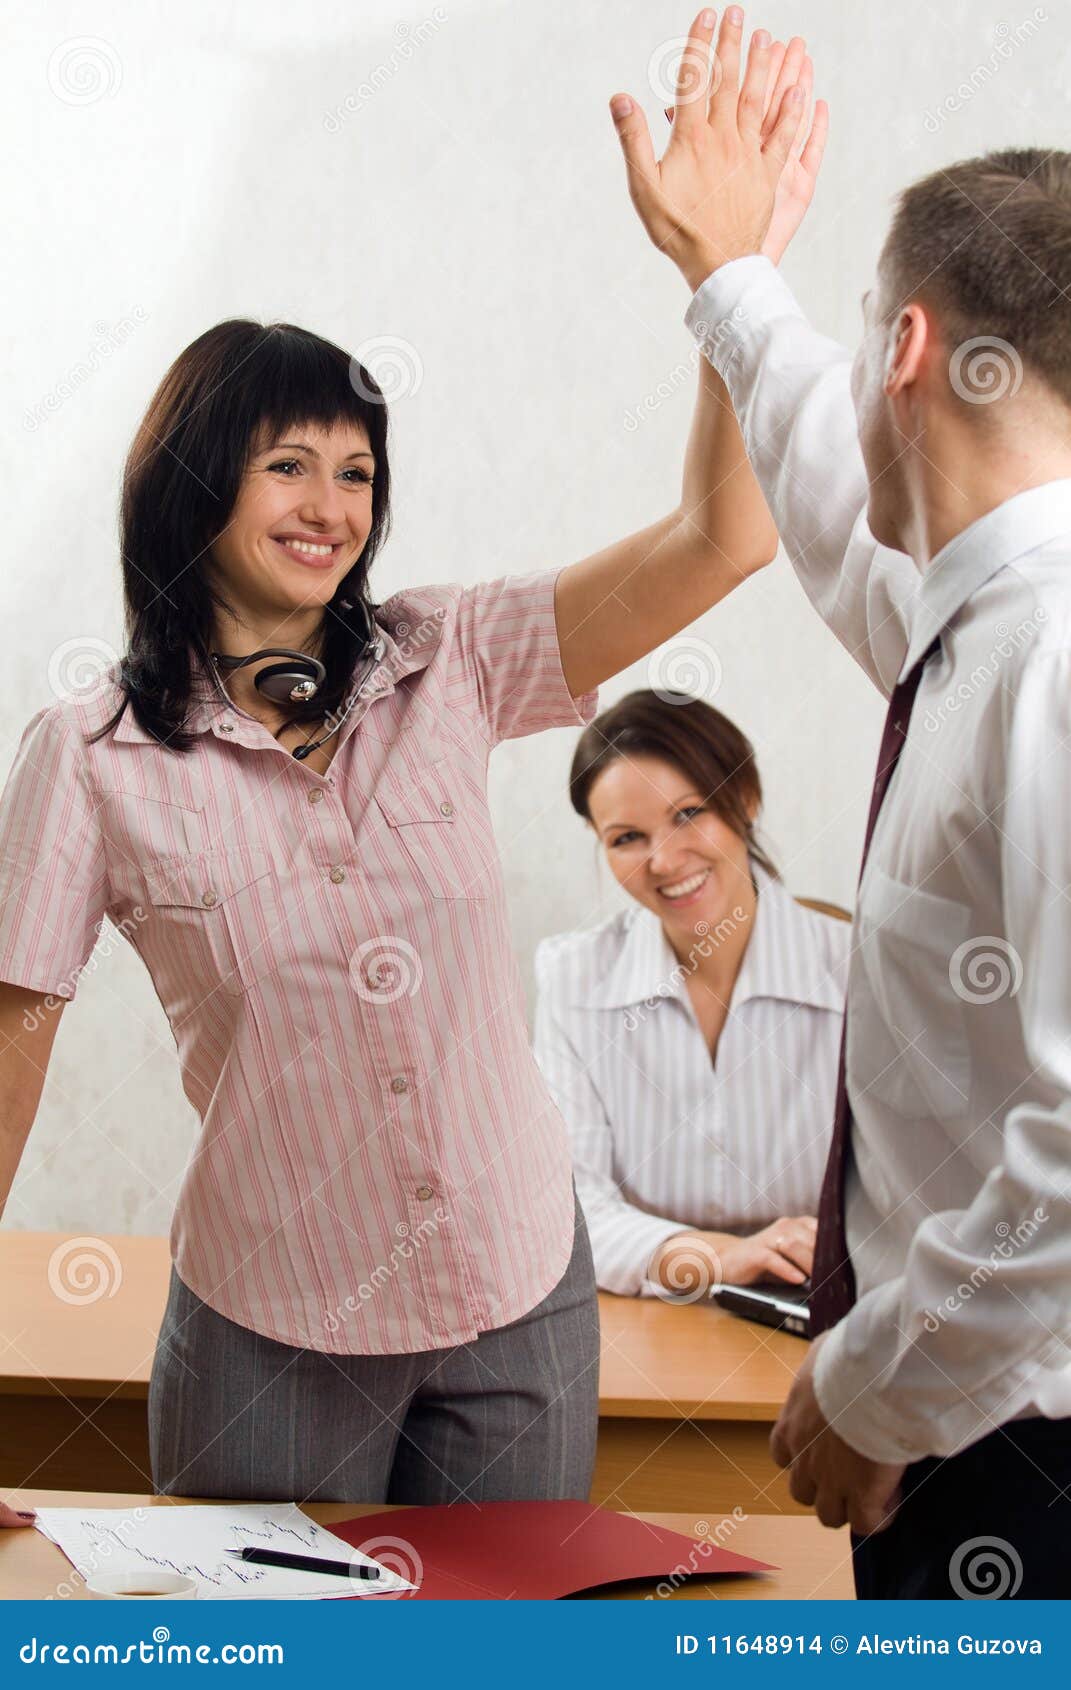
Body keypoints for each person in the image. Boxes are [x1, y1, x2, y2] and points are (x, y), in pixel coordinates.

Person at [0, 19, 824, 1531]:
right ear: (198, 479)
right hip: (274, 1328)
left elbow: (724, 536)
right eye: (290, 464)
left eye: (358, 468)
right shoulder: (91, 756)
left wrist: (730, 284)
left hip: (517, 1301)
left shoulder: (454, 655)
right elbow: (8, 1056)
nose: (333, 506)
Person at [611, 4, 1071, 1600]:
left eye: (863, 328)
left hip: (1018, 1446)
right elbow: (824, 483)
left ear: (909, 352)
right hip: (978, 1418)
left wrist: (876, 1384)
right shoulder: (970, 617)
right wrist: (726, 273)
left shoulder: (1050, 656)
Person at [533, 688, 847, 1300]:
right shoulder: (572, 979)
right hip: (647, 1321)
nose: (665, 860)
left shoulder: (859, 968)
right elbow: (570, 1209)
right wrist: (723, 1258)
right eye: (626, 837)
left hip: (825, 1310)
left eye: (688, 814)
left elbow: (910, 1193)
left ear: (746, 798)